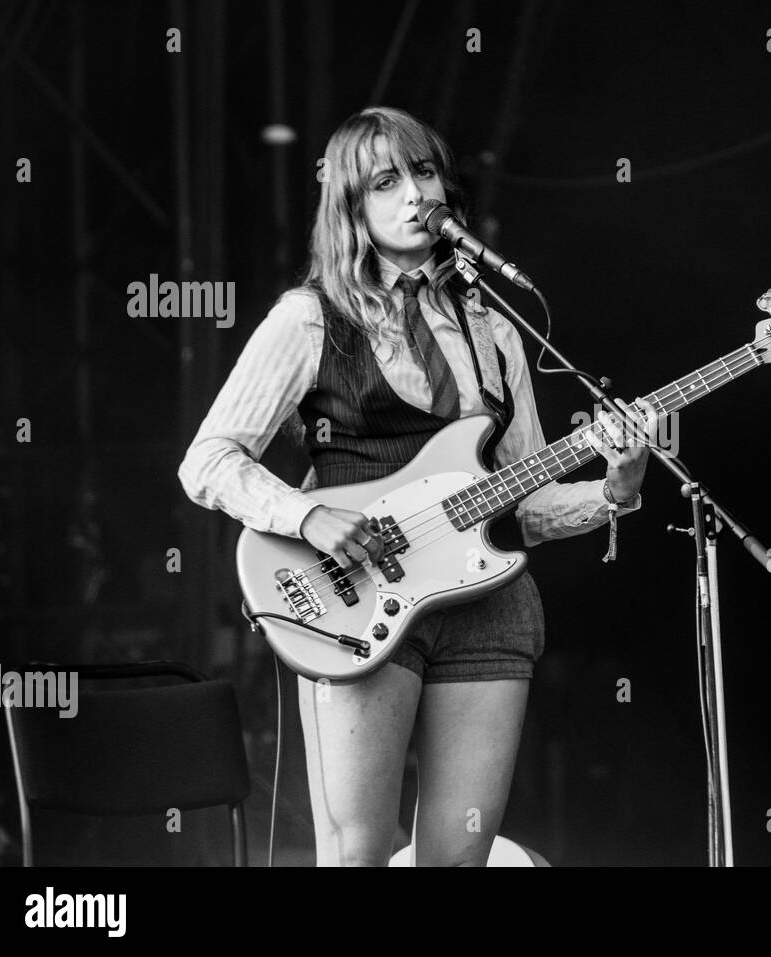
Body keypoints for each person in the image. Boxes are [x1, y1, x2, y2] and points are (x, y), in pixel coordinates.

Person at [178, 106, 658, 866]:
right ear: (353, 208)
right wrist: (305, 516)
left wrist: (615, 488)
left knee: (458, 857)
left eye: (424, 171)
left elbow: (525, 504)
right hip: (355, 592)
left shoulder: (498, 334)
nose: (412, 193)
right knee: (359, 850)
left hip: (488, 608)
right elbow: (207, 460)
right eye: (385, 180)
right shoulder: (311, 320)